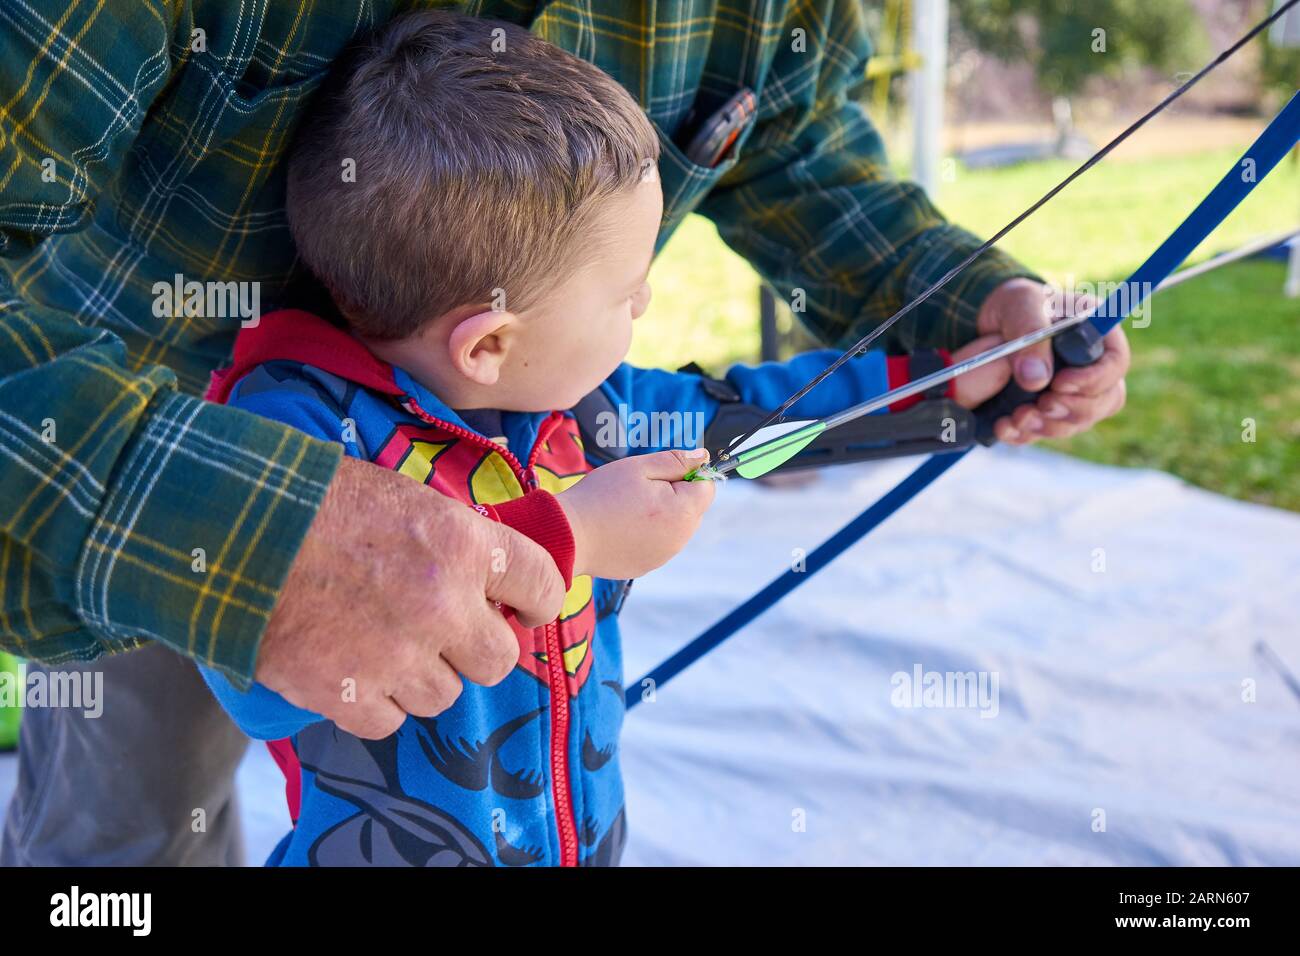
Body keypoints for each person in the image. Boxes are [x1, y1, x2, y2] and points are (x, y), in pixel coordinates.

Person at [0, 0, 1129, 866]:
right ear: (490, 344)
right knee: (116, 841)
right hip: (115, 445)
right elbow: (262, 684)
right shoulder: (284, 421)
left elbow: (780, 412)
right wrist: (569, 537)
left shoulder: (586, 408)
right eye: (628, 291)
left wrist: (961, 369)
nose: (643, 311)